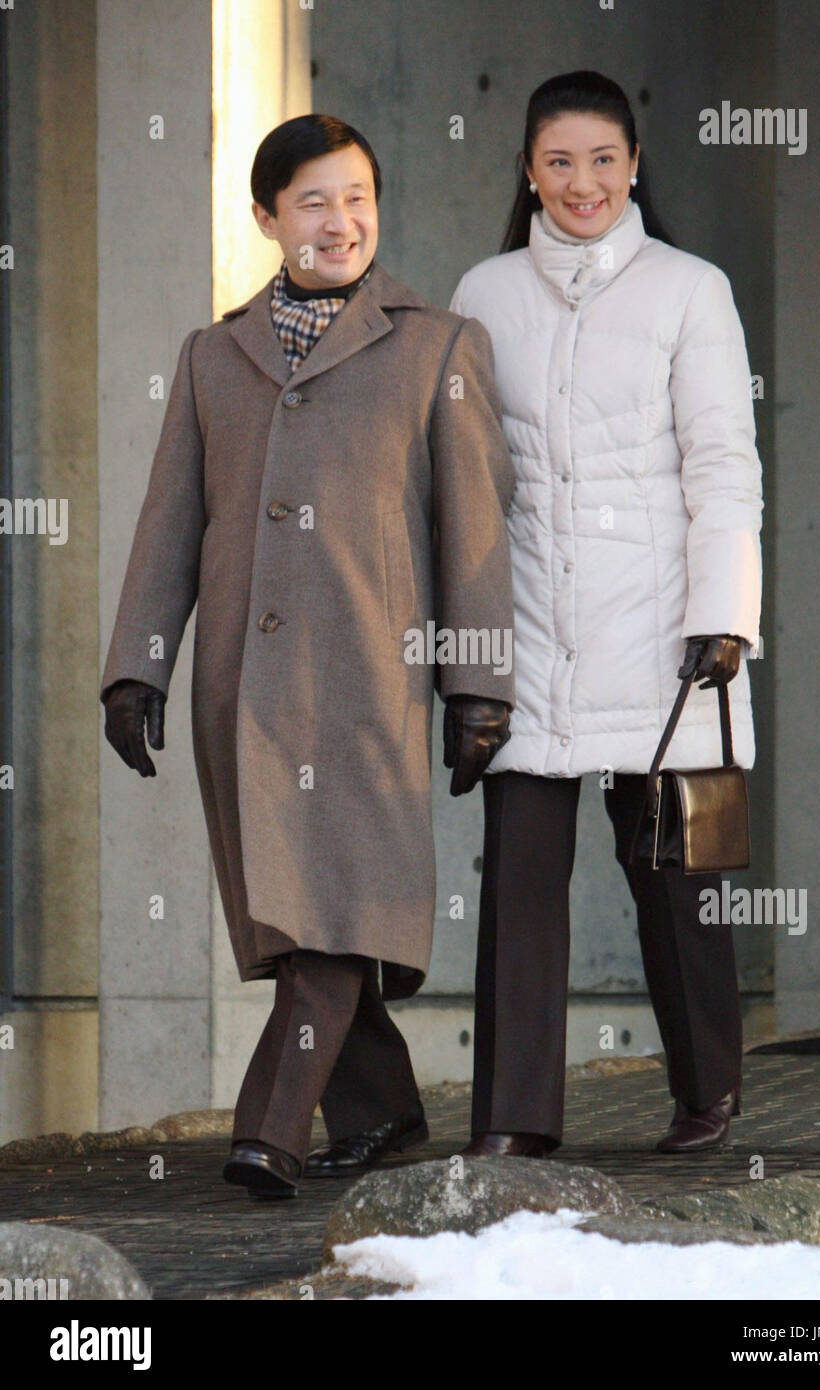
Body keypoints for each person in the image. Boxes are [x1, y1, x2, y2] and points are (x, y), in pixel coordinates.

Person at [100, 114, 515, 1197]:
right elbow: (167, 526)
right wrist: (138, 664)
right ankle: (382, 1112)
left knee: (333, 912)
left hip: (371, 686)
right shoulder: (210, 355)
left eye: (359, 196)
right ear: (267, 216)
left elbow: (474, 532)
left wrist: (478, 686)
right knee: (303, 915)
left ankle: (268, 1130)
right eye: (316, 201)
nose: (342, 221)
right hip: (241, 687)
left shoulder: (437, 344)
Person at [449, 71, 763, 1157]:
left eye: (601, 158)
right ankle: (514, 1118)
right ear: (527, 172)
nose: (581, 181)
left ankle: (706, 1092)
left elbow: (724, 462)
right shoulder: (483, 293)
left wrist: (722, 614)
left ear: (634, 165)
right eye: (557, 160)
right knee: (520, 885)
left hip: (667, 627)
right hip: (531, 618)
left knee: (675, 880)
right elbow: (463, 476)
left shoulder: (689, 289)